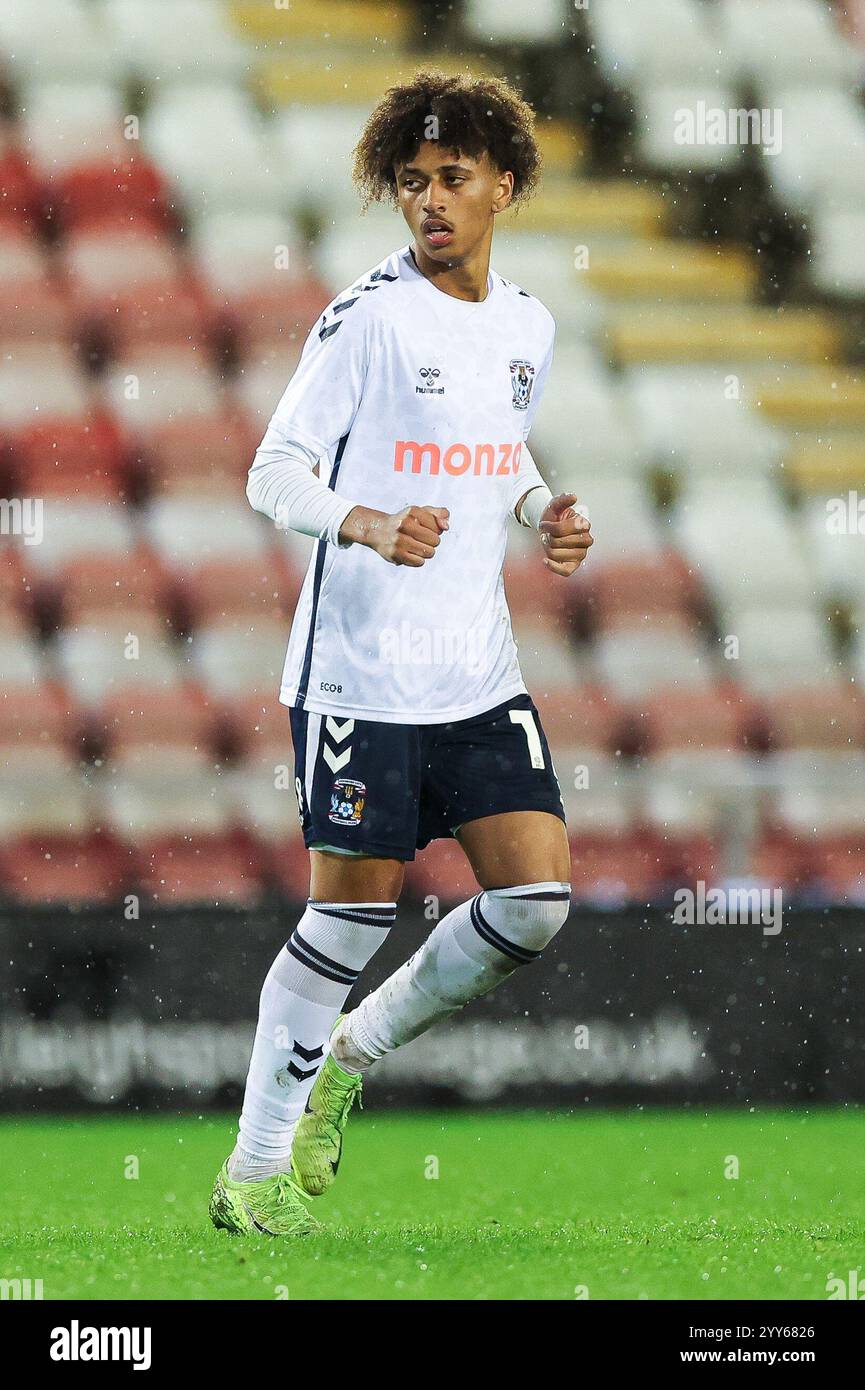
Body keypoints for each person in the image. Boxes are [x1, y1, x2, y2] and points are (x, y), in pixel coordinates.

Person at [210, 70, 594, 1236]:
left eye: (453, 180)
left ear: (505, 187)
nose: (431, 201)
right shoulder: (367, 318)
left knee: (534, 901)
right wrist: (364, 519)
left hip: (475, 668)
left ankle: (349, 1058)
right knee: (347, 925)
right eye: (413, 183)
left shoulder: (528, 324)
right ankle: (251, 1172)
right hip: (361, 677)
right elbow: (271, 470)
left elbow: (498, 448)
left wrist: (539, 513)